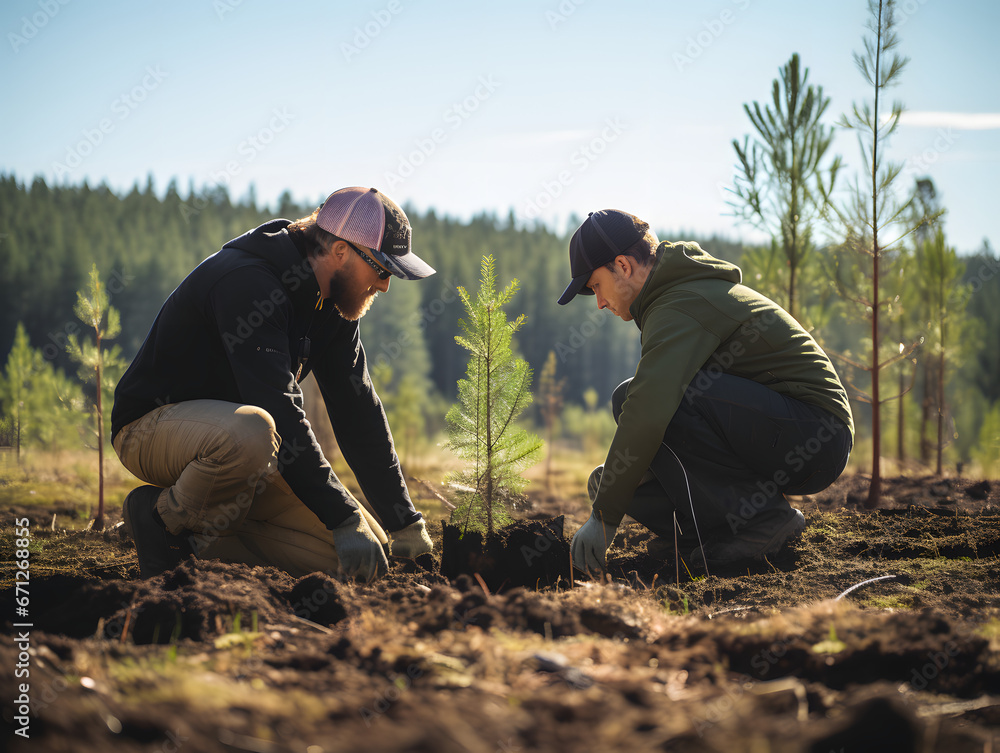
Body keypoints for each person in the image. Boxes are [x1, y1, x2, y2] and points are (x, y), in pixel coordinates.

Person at [112, 186, 436, 583]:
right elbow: (279, 409)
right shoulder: (248, 282)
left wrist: (403, 519)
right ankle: (161, 517)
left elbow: (358, 410)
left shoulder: (332, 306)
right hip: (150, 429)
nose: (385, 285)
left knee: (359, 559)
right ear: (340, 251)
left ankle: (199, 539)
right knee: (253, 430)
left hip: (238, 452)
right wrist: (342, 514)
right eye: (382, 269)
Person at [558, 209, 854, 576]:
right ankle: (709, 535)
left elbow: (649, 410)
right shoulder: (672, 297)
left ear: (623, 265)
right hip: (785, 433)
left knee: (659, 400)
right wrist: (622, 488)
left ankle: (764, 523)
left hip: (816, 434)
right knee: (627, 426)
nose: (599, 303)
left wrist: (604, 517)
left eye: (596, 286)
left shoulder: (680, 303)